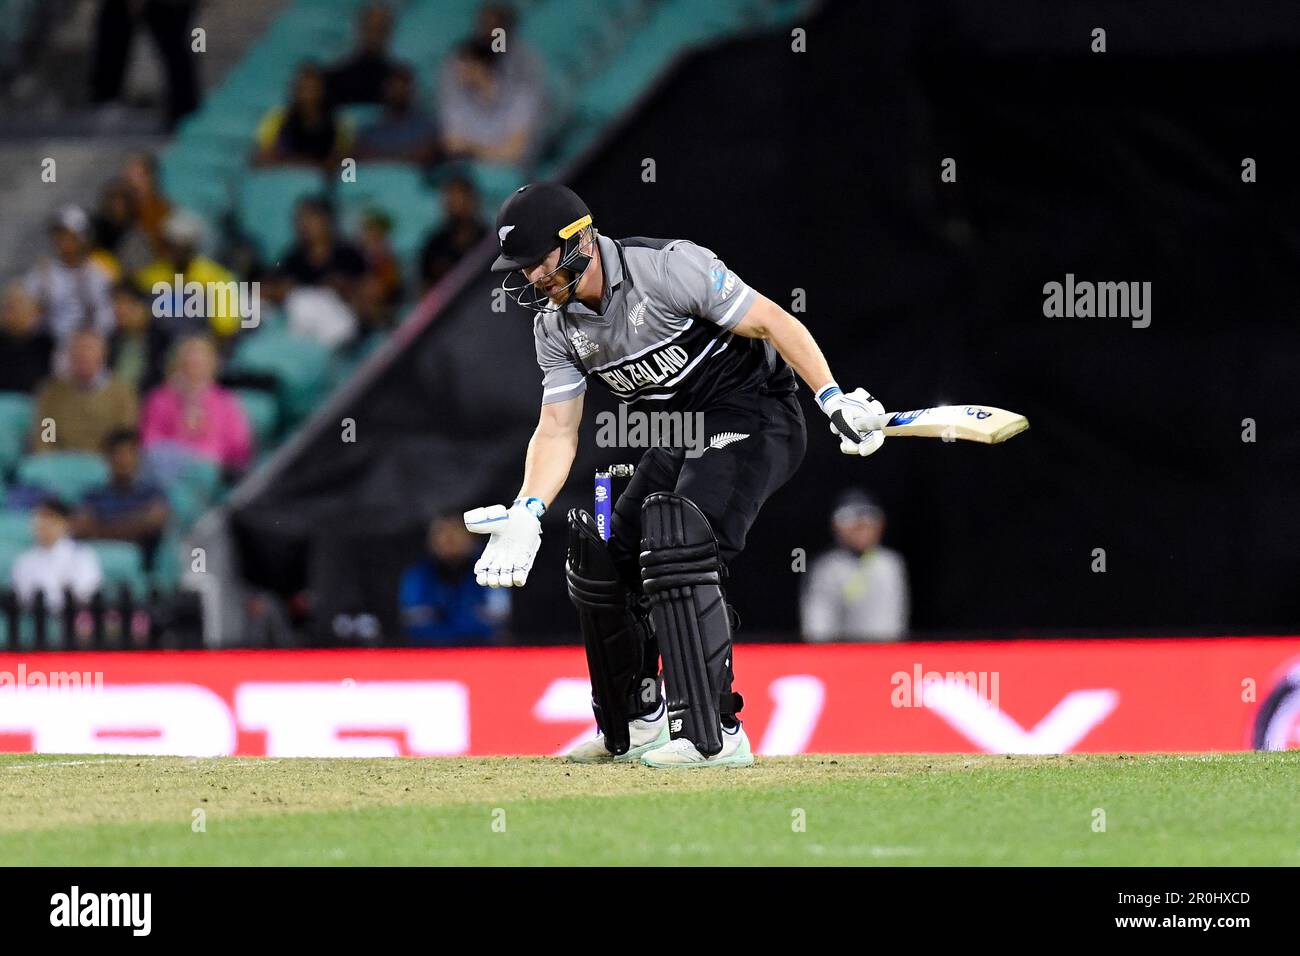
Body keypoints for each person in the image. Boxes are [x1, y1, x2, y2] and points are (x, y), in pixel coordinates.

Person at [464, 183, 888, 768]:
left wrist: (833, 399)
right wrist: (528, 508)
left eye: (539, 262)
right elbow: (558, 430)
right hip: (677, 435)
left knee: (679, 540)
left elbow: (771, 321)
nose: (534, 278)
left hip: (756, 414)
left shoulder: (666, 268)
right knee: (605, 563)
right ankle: (636, 727)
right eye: (524, 267)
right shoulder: (556, 327)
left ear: (581, 239)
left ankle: (716, 734)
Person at [801, 490, 909, 642]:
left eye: (869, 519)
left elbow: (893, 624)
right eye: (850, 520)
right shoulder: (827, 568)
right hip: (841, 657)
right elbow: (817, 627)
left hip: (886, 655)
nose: (861, 526)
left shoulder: (890, 563)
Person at [140, 335, 253, 476]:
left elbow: (239, 448)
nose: (193, 366)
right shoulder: (160, 399)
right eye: (189, 361)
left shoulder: (226, 403)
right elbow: (150, 441)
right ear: (178, 365)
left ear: (211, 365)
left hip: (210, 470)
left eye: (199, 362)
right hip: (169, 468)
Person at [399, 514, 509, 646]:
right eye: (441, 533)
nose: (449, 539)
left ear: (471, 537)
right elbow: (413, 618)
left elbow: (498, 616)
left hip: (480, 648)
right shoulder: (418, 574)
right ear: (430, 540)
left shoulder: (490, 570)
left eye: (455, 531)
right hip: (428, 649)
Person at [134, 209, 242, 339]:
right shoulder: (150, 276)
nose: (175, 253)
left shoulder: (219, 279)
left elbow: (226, 327)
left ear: (193, 247)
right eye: (170, 245)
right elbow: (138, 317)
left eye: (181, 247)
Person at [31, 328, 138, 454]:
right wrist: (49, 458)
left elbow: (124, 436)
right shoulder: (51, 392)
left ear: (103, 355)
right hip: (61, 462)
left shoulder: (122, 393)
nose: (83, 354)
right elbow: (45, 436)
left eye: (89, 349)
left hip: (104, 463)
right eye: (77, 350)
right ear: (69, 356)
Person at [73, 428, 170, 566]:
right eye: (118, 454)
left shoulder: (153, 492)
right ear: (107, 459)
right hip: (98, 562)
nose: (124, 460)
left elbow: (155, 522)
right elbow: (81, 528)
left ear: (138, 457)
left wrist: (102, 530)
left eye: (130, 453)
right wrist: (135, 527)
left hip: (143, 564)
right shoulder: (93, 495)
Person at [438, 39, 542, 166]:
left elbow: (514, 153)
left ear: (480, 65)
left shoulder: (519, 98)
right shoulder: (457, 102)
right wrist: (496, 150)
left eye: (462, 66)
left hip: (514, 174)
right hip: (473, 172)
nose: (457, 73)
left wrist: (471, 148)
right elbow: (453, 146)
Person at [23, 206, 116, 345]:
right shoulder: (41, 273)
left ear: (83, 238)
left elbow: (106, 318)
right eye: (59, 236)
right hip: (47, 344)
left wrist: (87, 340)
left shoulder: (98, 273)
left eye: (69, 236)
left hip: (87, 346)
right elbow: (26, 314)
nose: (63, 241)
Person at [11, 497, 103, 611]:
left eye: (48, 517)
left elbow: (86, 591)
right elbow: (22, 596)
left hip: (71, 618)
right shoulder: (25, 559)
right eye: (38, 517)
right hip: (36, 618)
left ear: (65, 523)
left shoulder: (82, 555)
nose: (41, 523)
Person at [253, 63, 351, 167]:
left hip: (322, 175)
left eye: (313, 88)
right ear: (294, 90)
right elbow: (263, 156)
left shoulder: (338, 121)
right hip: (287, 174)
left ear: (323, 90)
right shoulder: (277, 118)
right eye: (304, 88)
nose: (309, 95)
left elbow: (344, 158)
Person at [352, 64, 441, 165]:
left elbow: (426, 155)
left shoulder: (426, 125)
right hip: (376, 177)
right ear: (384, 89)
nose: (399, 92)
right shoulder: (369, 127)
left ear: (412, 91)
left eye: (403, 87)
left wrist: (383, 157)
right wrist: (403, 156)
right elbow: (360, 156)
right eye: (394, 87)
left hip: (411, 178)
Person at [324, 3, 404, 107]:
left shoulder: (398, 86)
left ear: (388, 32)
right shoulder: (336, 79)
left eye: (380, 28)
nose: (374, 34)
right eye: (370, 27)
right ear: (359, 29)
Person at [418, 174, 488, 291]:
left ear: (473, 201)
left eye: (462, 197)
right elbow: (425, 290)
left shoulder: (490, 243)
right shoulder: (434, 245)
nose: (456, 205)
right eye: (451, 199)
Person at [0, 284, 55, 393]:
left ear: (33, 312)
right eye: (8, 307)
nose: (13, 313)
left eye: (18, 307)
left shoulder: (45, 343)